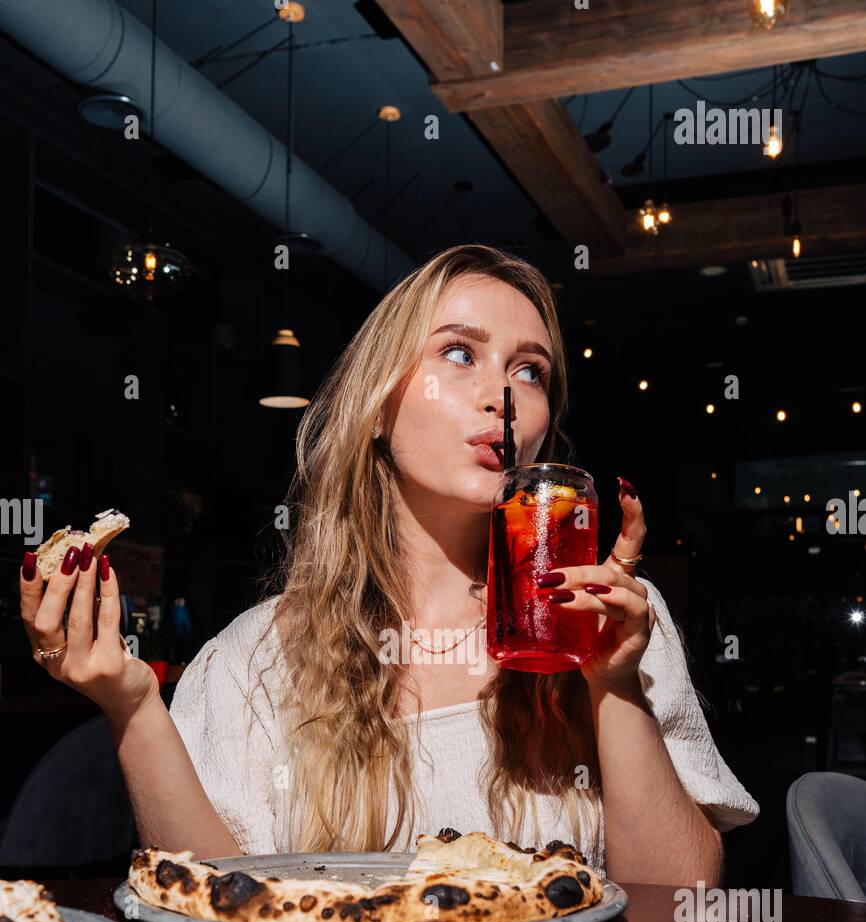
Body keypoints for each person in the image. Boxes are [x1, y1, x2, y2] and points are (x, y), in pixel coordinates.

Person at [19, 244, 757, 885]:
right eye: (459, 353)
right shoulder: (251, 659)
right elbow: (229, 910)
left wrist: (614, 685)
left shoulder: (613, 621)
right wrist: (132, 706)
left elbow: (682, 903)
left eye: (529, 372)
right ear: (378, 406)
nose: (502, 396)